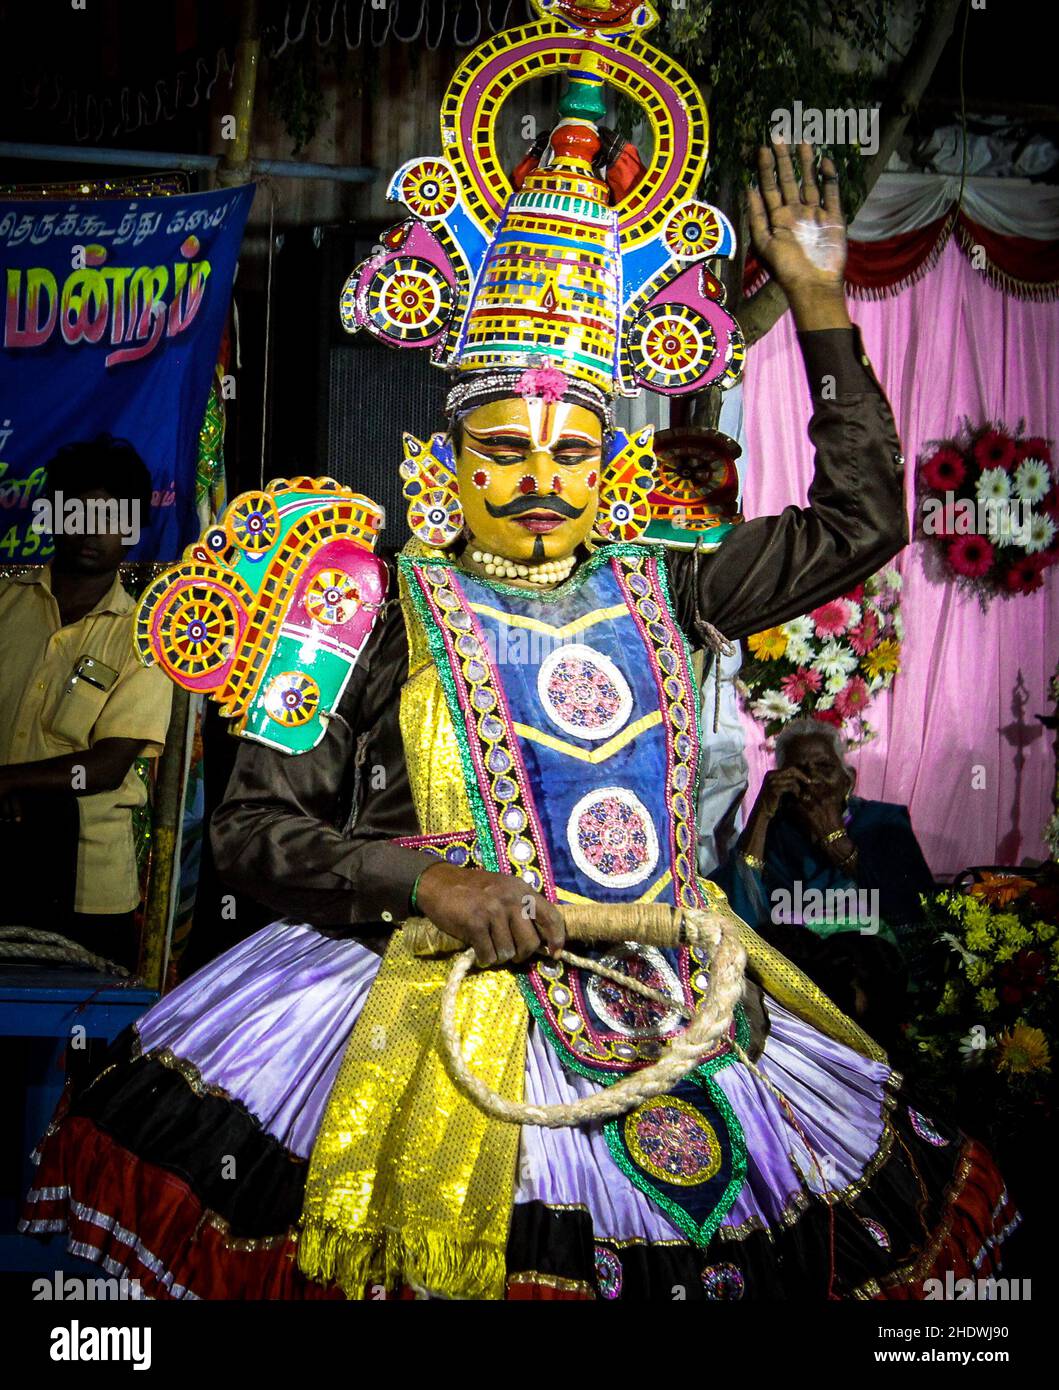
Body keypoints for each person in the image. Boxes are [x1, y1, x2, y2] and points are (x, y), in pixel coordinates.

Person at [21, 3, 1016, 1301]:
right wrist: (424, 885)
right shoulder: (361, 598)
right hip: (413, 1007)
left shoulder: (673, 582)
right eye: (504, 449)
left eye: (571, 451)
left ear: (610, 461)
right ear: (446, 451)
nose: (540, 479)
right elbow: (256, 832)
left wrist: (823, 307)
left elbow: (864, 519)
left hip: (671, 1008)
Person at [0, 435, 173, 969]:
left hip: (87, 886)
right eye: (76, 511)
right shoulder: (6, 605)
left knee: (81, 1039)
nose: (90, 530)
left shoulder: (145, 634)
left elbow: (105, 767)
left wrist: (7, 782)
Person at [716, 719, 935, 1045]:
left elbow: (913, 910)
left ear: (849, 779)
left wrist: (837, 841)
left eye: (823, 766)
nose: (812, 779)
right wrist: (762, 812)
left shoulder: (882, 824)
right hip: (794, 980)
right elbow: (738, 910)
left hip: (873, 974)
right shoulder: (774, 833)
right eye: (798, 770)